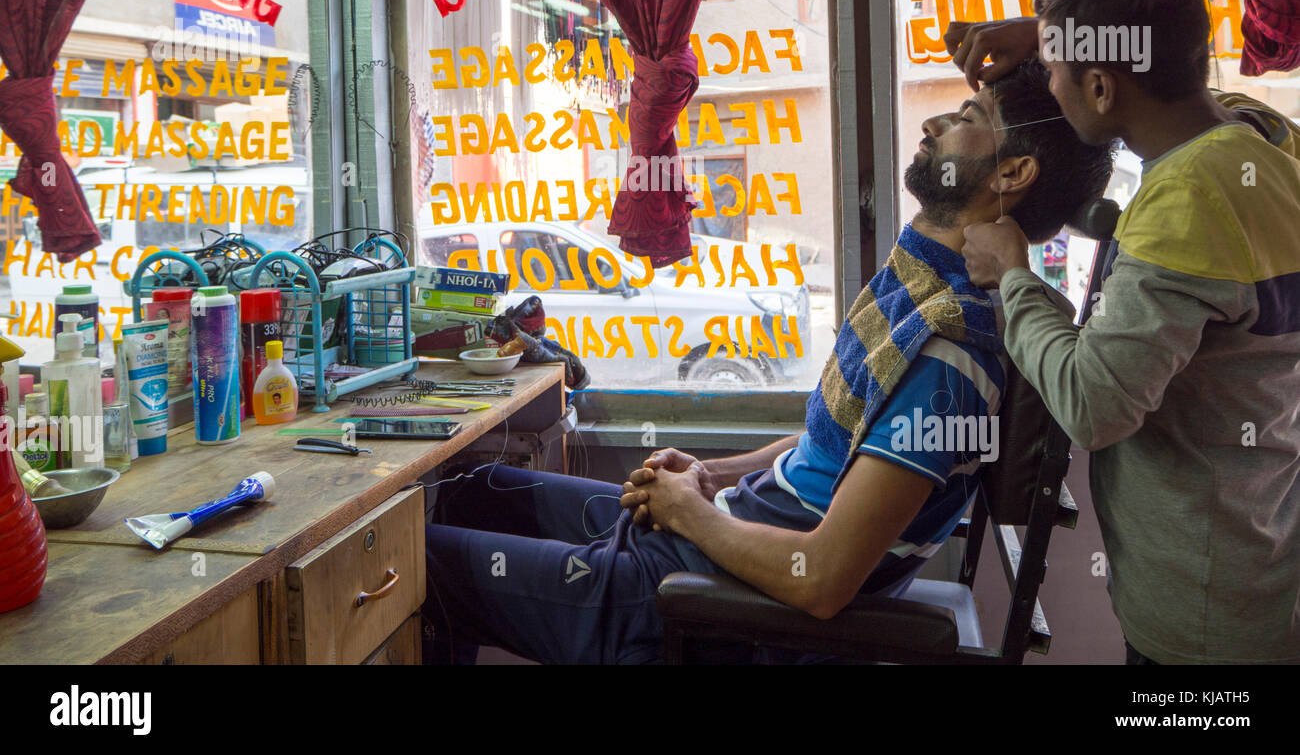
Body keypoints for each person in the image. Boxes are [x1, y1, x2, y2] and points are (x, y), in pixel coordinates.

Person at [423, 62, 1112, 665]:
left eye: (968, 118)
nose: (933, 122)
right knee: (463, 490)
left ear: (1014, 172)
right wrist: (709, 473)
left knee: (417, 559)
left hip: (706, 608)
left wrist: (689, 515)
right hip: (716, 539)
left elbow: (822, 580)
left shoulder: (946, 351)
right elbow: (832, 446)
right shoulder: (921, 287)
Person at [951, 0, 1300, 665]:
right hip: (1264, 561)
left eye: (1056, 72)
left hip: (1202, 620)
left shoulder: (1185, 207)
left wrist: (1014, 274)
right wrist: (1050, 36)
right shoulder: (1265, 142)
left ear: (1104, 88)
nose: (1045, 79)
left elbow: (1092, 402)